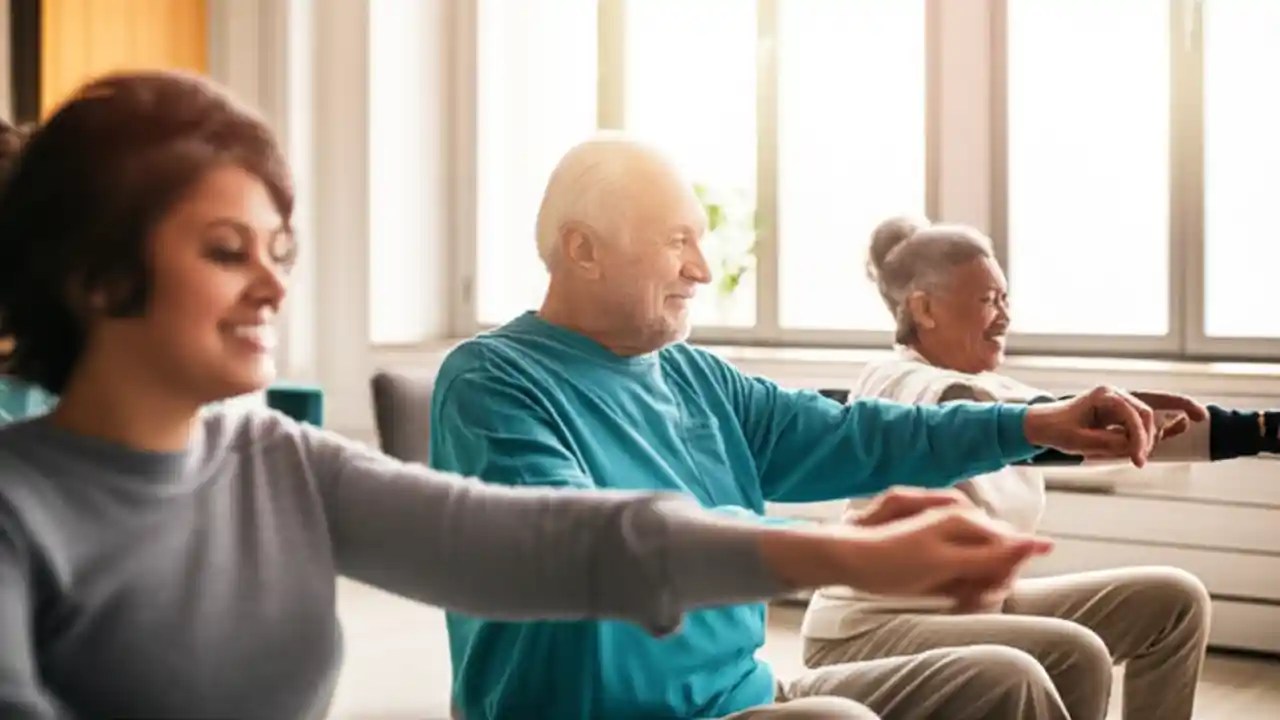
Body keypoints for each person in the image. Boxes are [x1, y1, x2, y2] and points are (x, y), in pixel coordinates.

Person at [0, 73, 1060, 720]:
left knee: (1008, 682)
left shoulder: (277, 460)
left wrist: (872, 529)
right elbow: (564, 544)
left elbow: (553, 545)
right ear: (98, 278)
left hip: (737, 687)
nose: (278, 284)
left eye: (280, 247)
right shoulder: (21, 511)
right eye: (228, 250)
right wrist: (832, 551)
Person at [428, 134, 1177, 720]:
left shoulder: (695, 375)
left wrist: (1036, 422)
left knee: (1012, 677)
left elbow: (859, 435)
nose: (702, 270)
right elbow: (593, 547)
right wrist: (848, 552)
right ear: (582, 248)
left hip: (740, 695)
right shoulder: (492, 381)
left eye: (700, 239)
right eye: (675, 241)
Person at [798, 216, 1265, 720]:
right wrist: (1054, 423)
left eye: (1004, 299)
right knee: (1075, 652)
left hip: (974, 613)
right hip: (868, 628)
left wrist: (1263, 429)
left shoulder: (1000, 391)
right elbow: (979, 420)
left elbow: (1112, 429)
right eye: (986, 301)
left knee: (1175, 601)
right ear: (924, 308)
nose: (1004, 317)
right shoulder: (894, 379)